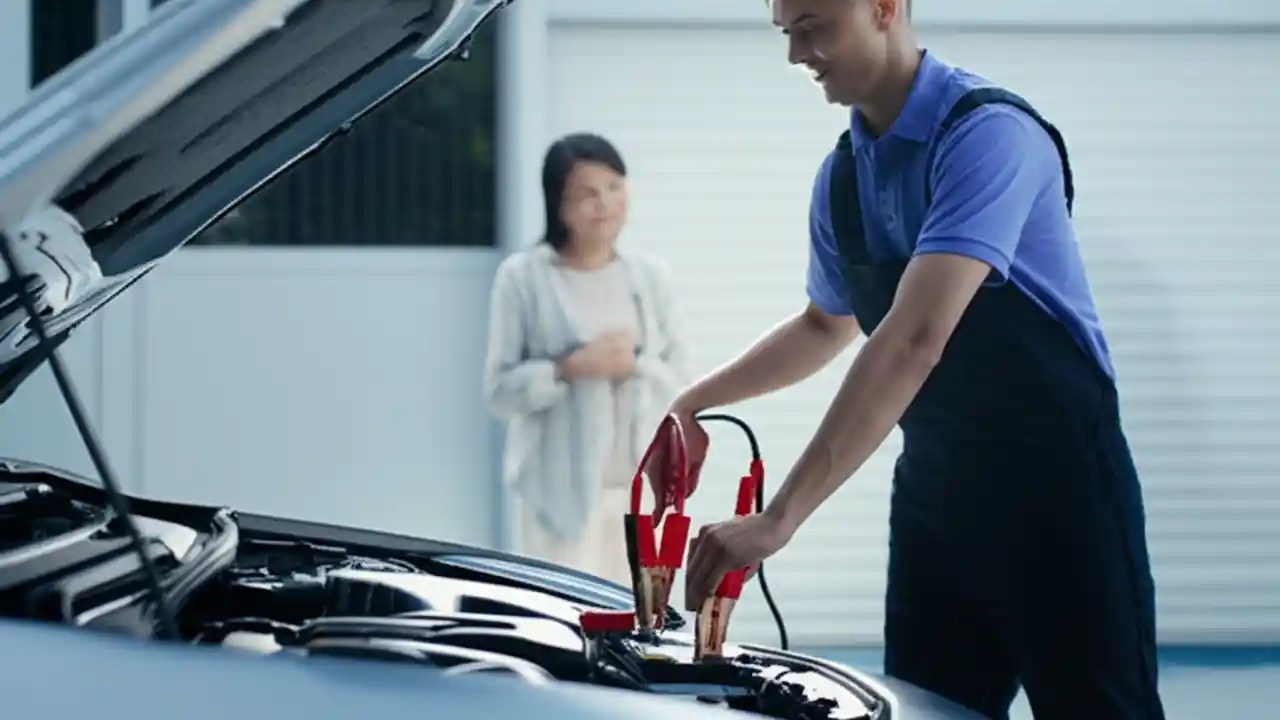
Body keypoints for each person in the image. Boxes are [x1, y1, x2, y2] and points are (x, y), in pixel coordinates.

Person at [654, 1, 1167, 718]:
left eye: (811, 27)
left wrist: (779, 519)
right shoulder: (841, 177)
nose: (796, 54)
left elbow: (914, 336)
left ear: (885, 8)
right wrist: (692, 402)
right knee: (929, 711)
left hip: (1059, 495)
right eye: (785, 33)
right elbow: (823, 325)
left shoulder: (990, 136)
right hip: (938, 500)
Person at [484, 132, 693, 586]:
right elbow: (499, 393)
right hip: (556, 498)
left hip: (639, 494)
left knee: (639, 627)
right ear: (557, 203)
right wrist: (569, 368)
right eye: (586, 194)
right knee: (564, 619)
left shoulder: (649, 277)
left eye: (614, 187)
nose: (603, 204)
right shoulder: (524, 277)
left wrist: (632, 364)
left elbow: (681, 383)